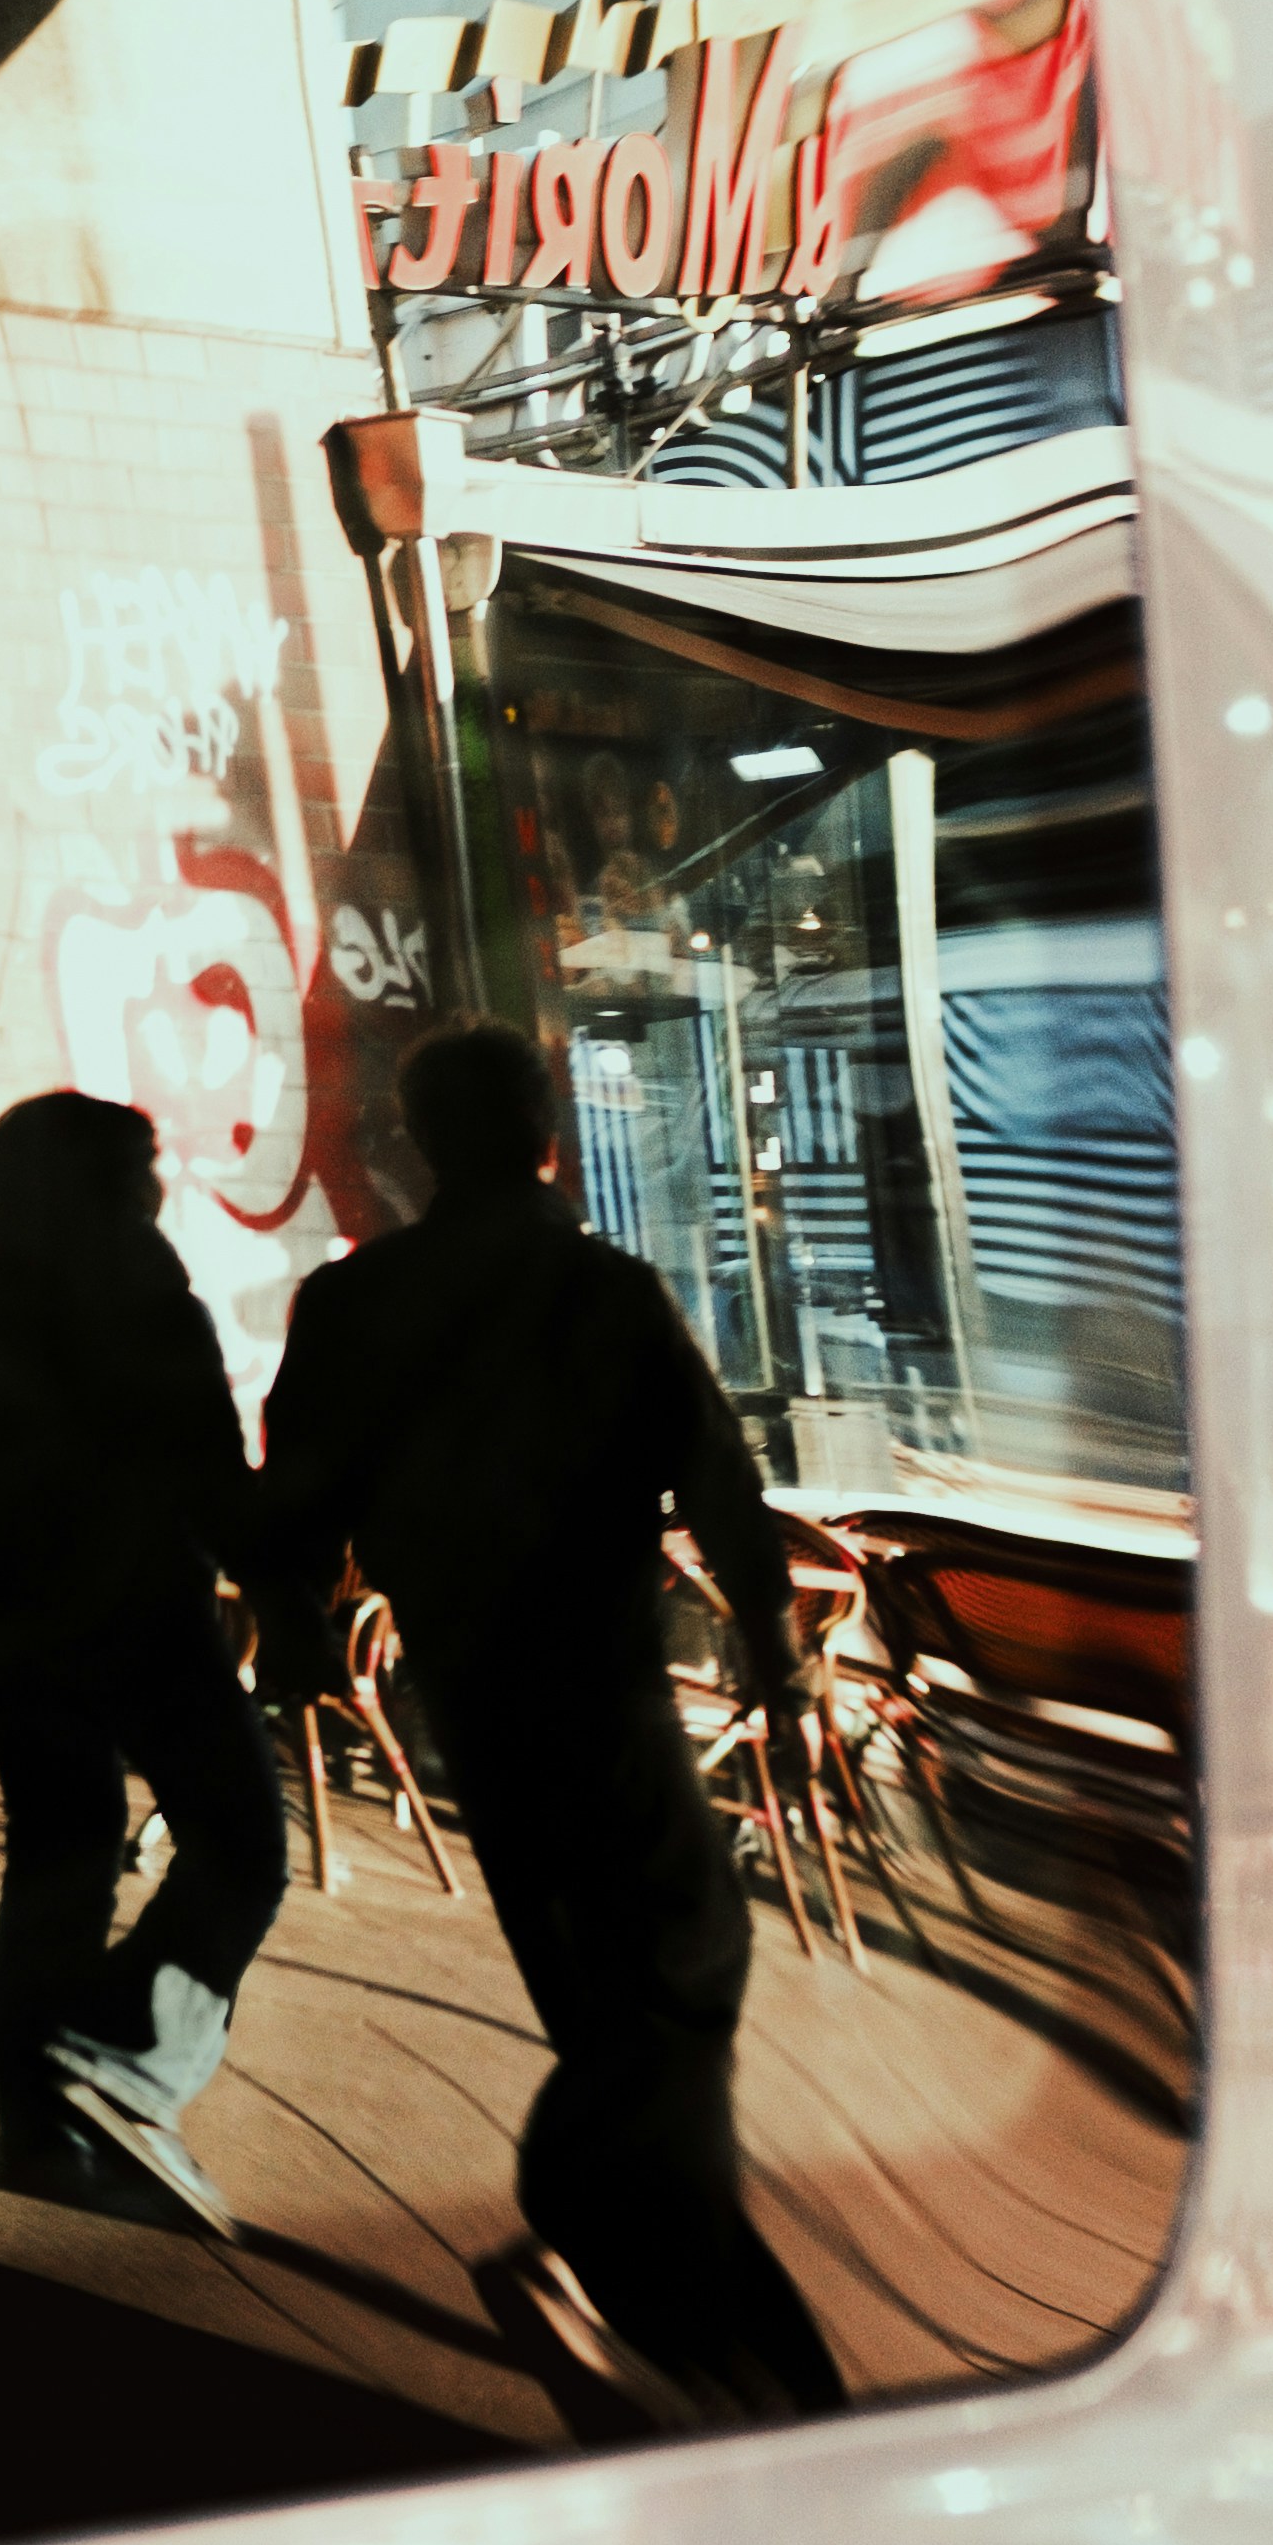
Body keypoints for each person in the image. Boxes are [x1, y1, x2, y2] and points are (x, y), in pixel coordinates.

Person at [246, 1019, 847, 2422]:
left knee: (590, 1986)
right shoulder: (602, 1288)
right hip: (603, 1676)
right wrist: (775, 1660)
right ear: (546, 1139)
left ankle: (671, 2301)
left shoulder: (349, 1301)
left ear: (416, 1145)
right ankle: (586, 2221)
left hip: (463, 1689)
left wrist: (294, 1633)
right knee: (686, 1961)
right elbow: (719, 1486)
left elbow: (292, 1500)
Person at [0, 1090, 278, 2234]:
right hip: (140, 1612)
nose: (157, 1184)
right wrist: (282, 1588)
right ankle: (120, 2057)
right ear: (111, 1181)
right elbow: (206, 1468)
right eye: (143, 1165)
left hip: (7, 1623)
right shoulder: (138, 1285)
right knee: (242, 1840)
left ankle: (42, 2131)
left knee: (60, 1850)